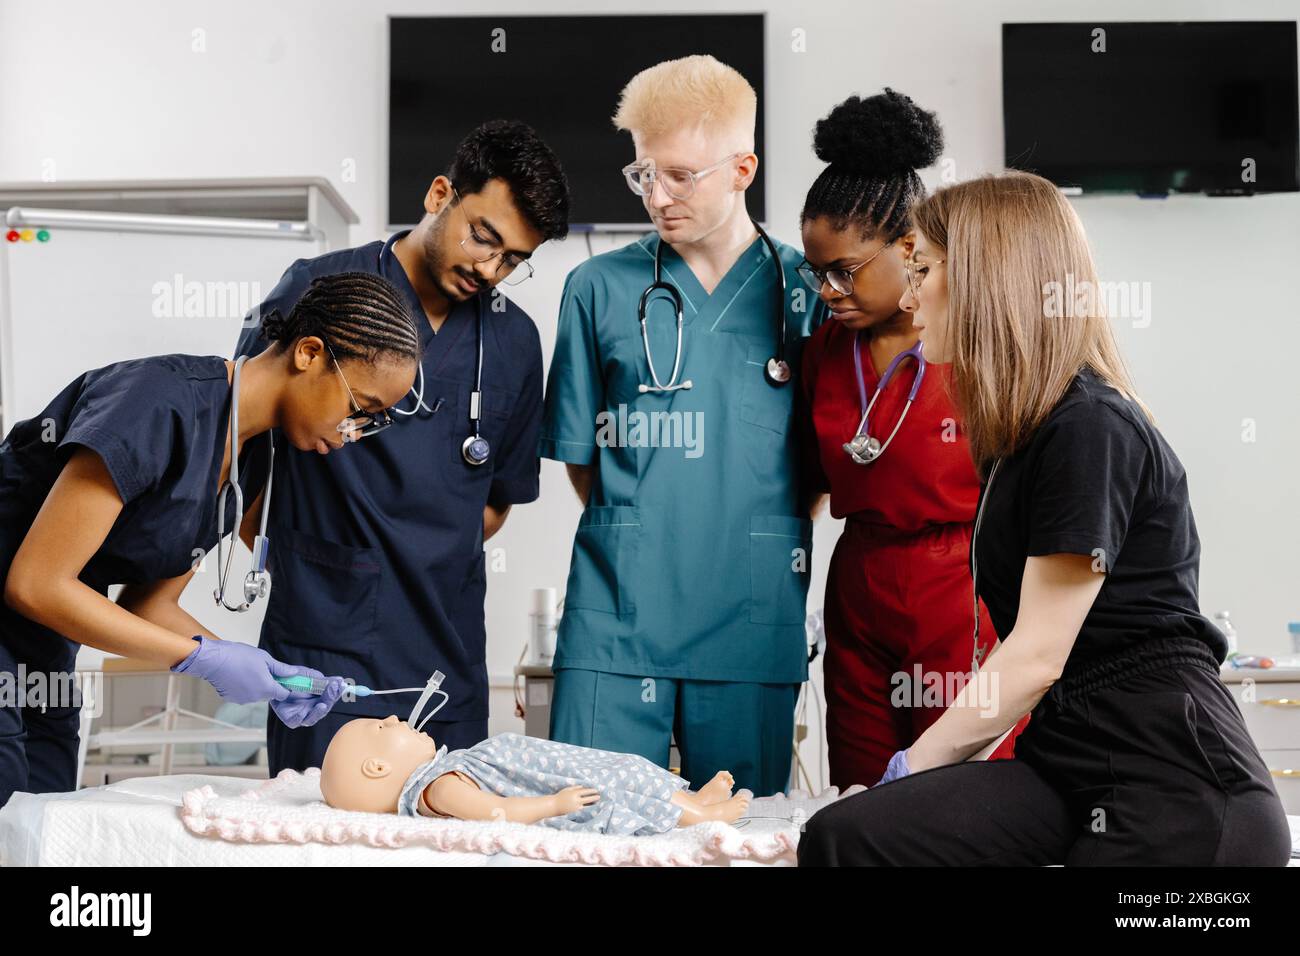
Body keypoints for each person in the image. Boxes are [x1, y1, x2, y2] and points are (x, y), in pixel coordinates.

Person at [797, 172, 1292, 865]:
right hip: (1069, 770)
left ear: (985, 281)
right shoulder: (1019, 441)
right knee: (848, 837)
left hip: (1177, 793)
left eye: (925, 271)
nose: (909, 298)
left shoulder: (1090, 427)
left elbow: (1035, 656)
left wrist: (910, 766)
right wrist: (890, 798)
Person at [0, 271, 421, 808]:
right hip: (20, 613)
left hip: (39, 646)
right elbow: (36, 584)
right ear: (309, 353)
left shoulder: (251, 457)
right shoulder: (155, 404)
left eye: (372, 422)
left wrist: (249, 664)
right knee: (9, 798)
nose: (352, 432)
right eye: (359, 407)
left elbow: (149, 606)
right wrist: (199, 660)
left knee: (47, 804)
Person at [234, 120, 571, 774]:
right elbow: (240, 434)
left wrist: (429, 553)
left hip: (445, 655)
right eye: (484, 237)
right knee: (318, 839)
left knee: (444, 839)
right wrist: (302, 557)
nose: (489, 268)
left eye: (513, 261)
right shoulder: (318, 286)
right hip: (320, 648)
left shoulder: (515, 341)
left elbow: (500, 497)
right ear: (439, 193)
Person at [540, 55, 826, 797]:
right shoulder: (596, 289)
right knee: (586, 828)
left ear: (743, 168)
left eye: (679, 175)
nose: (656, 197)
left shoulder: (805, 295)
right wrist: (645, 528)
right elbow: (583, 455)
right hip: (617, 620)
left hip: (749, 619)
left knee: (745, 837)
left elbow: (822, 467)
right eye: (643, 176)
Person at [796, 89, 1027, 788]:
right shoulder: (823, 353)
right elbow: (811, 483)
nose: (829, 290)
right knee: (863, 786)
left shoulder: (976, 347)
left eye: (846, 270)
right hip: (859, 580)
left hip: (959, 583)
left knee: (955, 786)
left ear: (907, 247)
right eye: (817, 273)